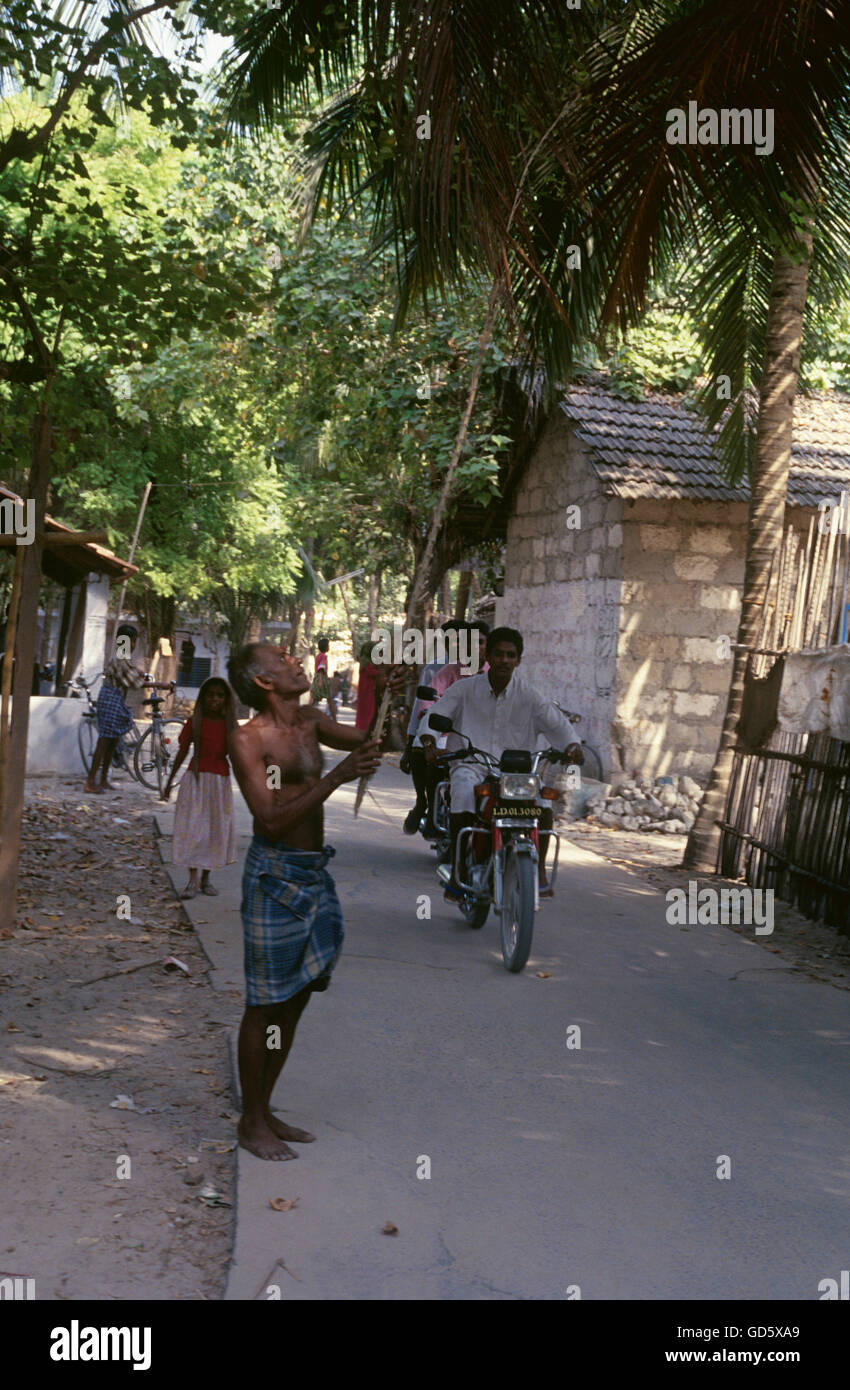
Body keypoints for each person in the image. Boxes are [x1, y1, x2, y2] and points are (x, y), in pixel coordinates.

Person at [226, 642, 384, 1162]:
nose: (296, 661)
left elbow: (376, 740)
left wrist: (390, 694)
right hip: (275, 878)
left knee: (294, 1000)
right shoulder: (250, 740)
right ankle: (251, 1122)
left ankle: (264, 1106)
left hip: (313, 873)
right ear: (264, 682)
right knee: (265, 1002)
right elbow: (270, 817)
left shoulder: (312, 723)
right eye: (283, 661)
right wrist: (338, 776)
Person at [420, 626, 583, 900]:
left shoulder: (530, 696)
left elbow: (559, 726)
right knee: (461, 791)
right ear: (489, 658)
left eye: (511, 655)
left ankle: (539, 870)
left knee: (542, 804)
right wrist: (428, 744)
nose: (504, 660)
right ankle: (459, 871)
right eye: (499, 654)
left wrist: (572, 746)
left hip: (515, 774)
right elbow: (434, 716)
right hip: (471, 765)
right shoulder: (464, 689)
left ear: (518, 660)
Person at [160, 677, 237, 899]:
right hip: (195, 780)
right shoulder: (195, 722)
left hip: (220, 783)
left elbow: (240, 758)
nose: (215, 699)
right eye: (211, 694)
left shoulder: (231, 726)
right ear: (203, 698)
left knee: (214, 830)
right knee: (193, 830)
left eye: (220, 695)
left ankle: (206, 879)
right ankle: (192, 880)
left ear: (226, 700)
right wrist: (169, 782)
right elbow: (183, 752)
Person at [84, 624, 171, 794]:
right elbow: (133, 682)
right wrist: (159, 684)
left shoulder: (122, 656)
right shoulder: (120, 656)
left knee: (113, 742)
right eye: (132, 641)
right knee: (104, 742)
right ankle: (90, 782)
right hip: (110, 699)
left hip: (116, 699)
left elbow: (128, 670)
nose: (133, 644)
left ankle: (103, 780)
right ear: (127, 640)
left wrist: (139, 672)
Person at [309, 637, 337, 720]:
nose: (329, 647)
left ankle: (304, 715)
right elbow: (321, 668)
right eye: (328, 645)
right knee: (329, 700)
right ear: (325, 647)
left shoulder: (318, 656)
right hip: (322, 678)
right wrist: (321, 681)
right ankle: (334, 719)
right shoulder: (323, 656)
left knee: (314, 699)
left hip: (317, 677)